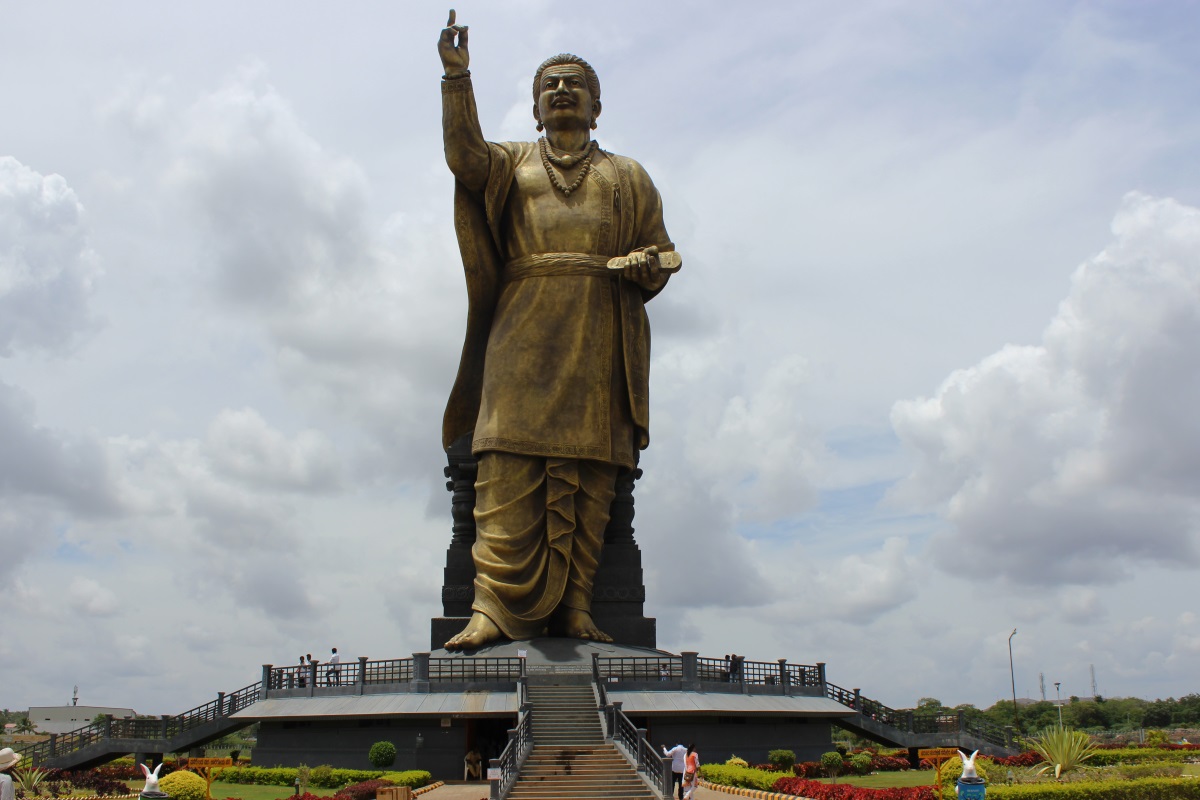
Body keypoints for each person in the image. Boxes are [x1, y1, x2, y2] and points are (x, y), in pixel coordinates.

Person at [438, 13, 678, 651]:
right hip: (522, 319)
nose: (563, 91)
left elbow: (663, 253)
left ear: (597, 108)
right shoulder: (512, 162)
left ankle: (576, 606)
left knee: (587, 469)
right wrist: (456, 79)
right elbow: (464, 158)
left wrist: (648, 266)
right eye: (551, 85)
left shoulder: (627, 176)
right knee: (505, 456)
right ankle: (491, 606)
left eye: (576, 85)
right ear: (537, 106)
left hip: (600, 327)